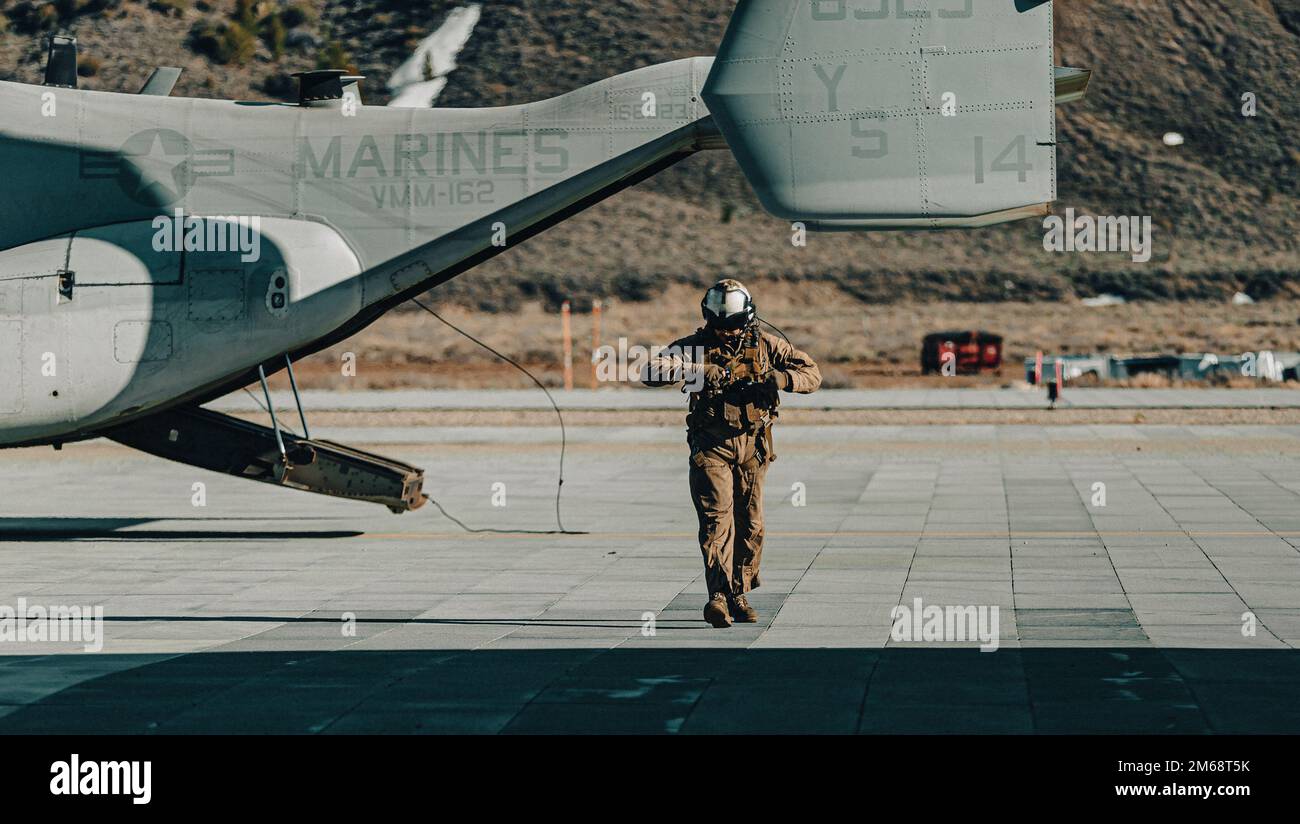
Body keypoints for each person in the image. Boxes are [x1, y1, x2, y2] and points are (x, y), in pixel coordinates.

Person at [642, 280, 821, 627]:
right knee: (715, 524)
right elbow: (650, 370)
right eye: (721, 326)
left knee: (751, 525)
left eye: (736, 324)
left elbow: (812, 374)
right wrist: (700, 371)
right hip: (711, 448)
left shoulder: (768, 345)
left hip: (753, 448)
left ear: (749, 318)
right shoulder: (694, 347)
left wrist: (780, 380)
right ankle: (718, 598)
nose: (729, 332)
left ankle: (739, 592)